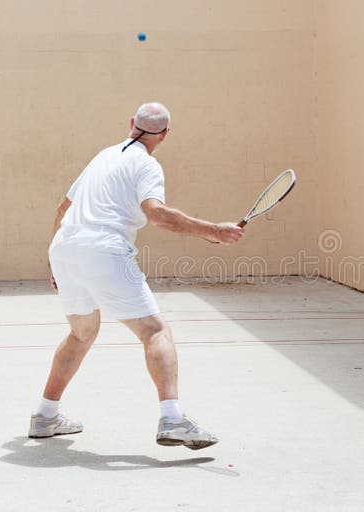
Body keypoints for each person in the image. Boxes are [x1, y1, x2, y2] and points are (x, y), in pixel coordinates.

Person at [29, 102, 244, 449]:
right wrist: (214, 230)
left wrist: (56, 263)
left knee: (81, 334)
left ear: (131, 124)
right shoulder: (147, 165)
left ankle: (45, 415)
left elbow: (62, 208)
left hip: (65, 249)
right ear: (165, 136)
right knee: (155, 331)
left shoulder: (103, 156)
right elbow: (157, 215)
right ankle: (173, 419)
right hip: (104, 250)